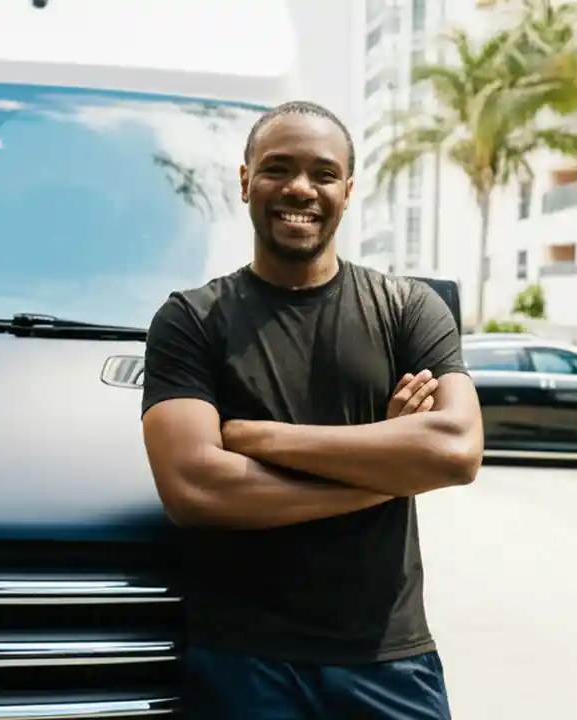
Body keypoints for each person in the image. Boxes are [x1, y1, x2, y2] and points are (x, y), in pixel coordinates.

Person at [140, 100, 484, 719]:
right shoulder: (191, 321)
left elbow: (455, 451)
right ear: (245, 180)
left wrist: (259, 437)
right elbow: (195, 488)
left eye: (323, 173)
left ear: (348, 191)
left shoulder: (408, 309)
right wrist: (388, 466)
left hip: (389, 659)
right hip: (243, 665)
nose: (300, 187)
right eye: (278, 168)